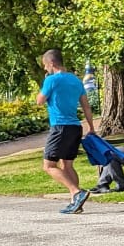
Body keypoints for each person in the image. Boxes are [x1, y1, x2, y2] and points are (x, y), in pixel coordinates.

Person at [38, 49, 94, 215]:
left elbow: (39, 101)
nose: (45, 69)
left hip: (59, 127)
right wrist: (91, 127)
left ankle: (76, 192)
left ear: (52, 63)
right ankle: (75, 203)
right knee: (67, 165)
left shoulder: (51, 80)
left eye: (45, 65)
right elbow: (85, 105)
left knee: (48, 166)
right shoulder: (76, 80)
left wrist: (45, 83)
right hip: (75, 127)